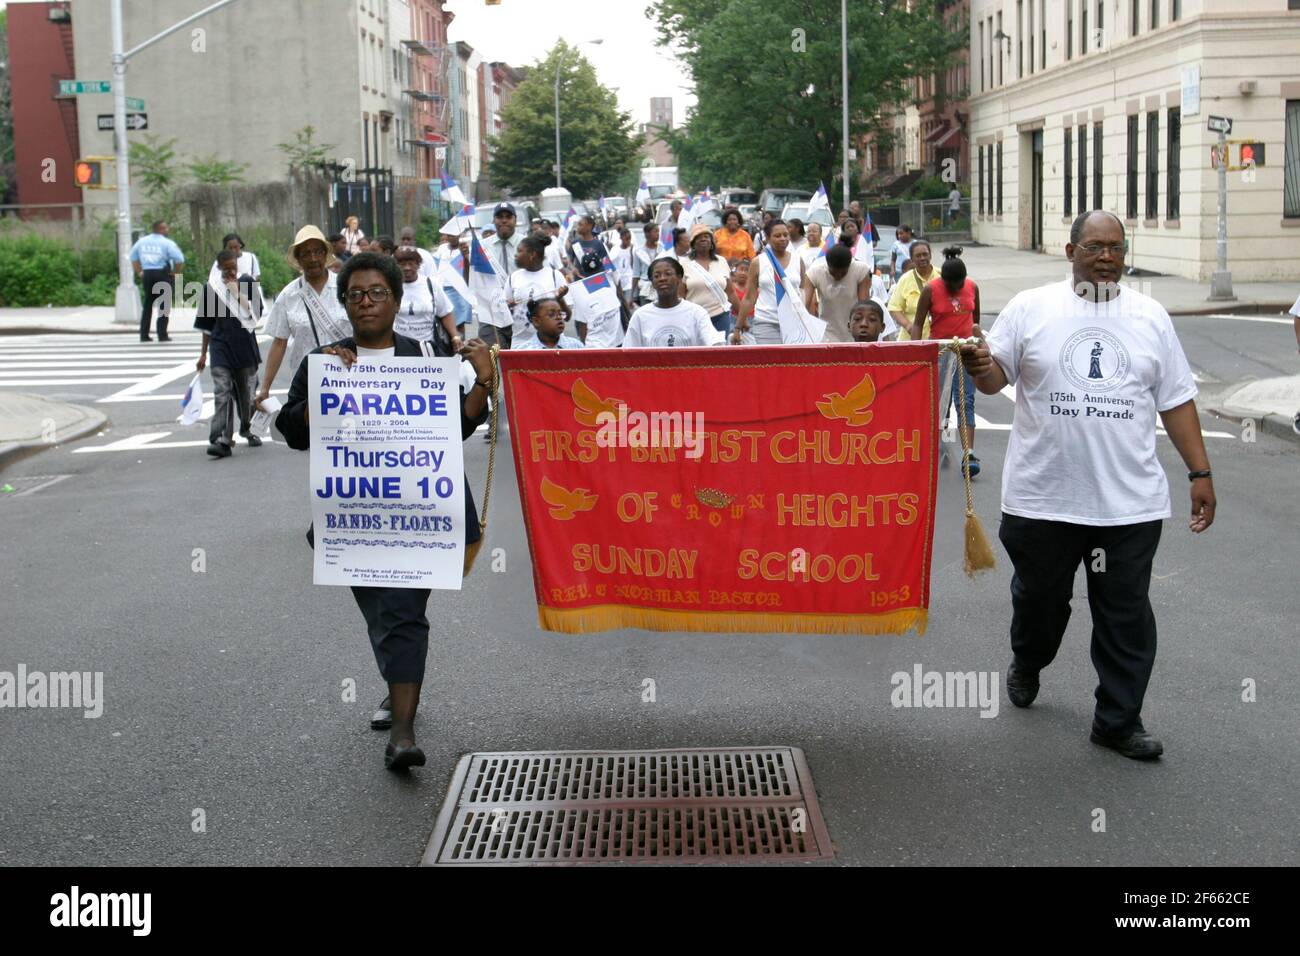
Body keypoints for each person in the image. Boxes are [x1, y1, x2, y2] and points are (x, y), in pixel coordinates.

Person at [959, 209, 1215, 761]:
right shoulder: (1032, 308)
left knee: (1125, 613)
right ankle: (1028, 659)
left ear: (1125, 255)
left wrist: (1200, 473)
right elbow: (994, 376)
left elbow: (1175, 399)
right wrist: (979, 362)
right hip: (1043, 500)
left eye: (1115, 249)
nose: (1106, 257)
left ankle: (1118, 721)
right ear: (1069, 250)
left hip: (1128, 505)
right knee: (1042, 602)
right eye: (1095, 246)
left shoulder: (1150, 316)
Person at [274, 251, 494, 772]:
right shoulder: (324, 361)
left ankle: (402, 732)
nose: (366, 302)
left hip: (422, 518)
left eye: (377, 293)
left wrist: (484, 380)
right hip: (356, 521)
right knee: (384, 615)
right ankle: (396, 688)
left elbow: (457, 428)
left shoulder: (423, 356)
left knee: (402, 614)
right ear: (344, 303)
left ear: (396, 301)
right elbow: (292, 430)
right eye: (355, 294)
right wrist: (328, 388)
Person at [254, 226, 352, 412]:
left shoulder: (346, 287)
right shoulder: (288, 295)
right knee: (308, 437)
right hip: (306, 383)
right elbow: (279, 343)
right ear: (298, 259)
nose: (313, 258)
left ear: (325, 254)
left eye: (317, 252)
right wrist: (265, 388)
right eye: (306, 254)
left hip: (348, 379)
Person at [910, 246, 981, 477]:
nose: (957, 288)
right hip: (941, 352)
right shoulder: (931, 289)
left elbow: (975, 319)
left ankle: (968, 453)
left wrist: (978, 343)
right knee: (942, 403)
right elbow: (919, 322)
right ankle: (941, 446)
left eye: (959, 284)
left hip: (966, 350)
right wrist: (915, 350)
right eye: (952, 285)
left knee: (966, 401)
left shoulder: (972, 286)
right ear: (944, 281)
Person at [195, 249, 263, 458]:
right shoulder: (211, 289)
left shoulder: (248, 283)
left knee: (247, 395)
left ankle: (247, 427)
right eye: (226, 269)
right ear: (219, 268)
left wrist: (237, 292)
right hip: (220, 346)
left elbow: (256, 315)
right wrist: (203, 354)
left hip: (245, 347)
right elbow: (206, 326)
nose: (231, 272)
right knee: (222, 392)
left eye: (234, 267)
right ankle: (221, 438)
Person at [624, 258, 725, 348]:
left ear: (679, 278)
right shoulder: (640, 316)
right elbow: (628, 353)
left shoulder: (696, 312)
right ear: (652, 282)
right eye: (657, 276)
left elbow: (714, 342)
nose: (662, 278)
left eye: (668, 273)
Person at [734, 219, 803, 345]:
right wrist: (738, 328)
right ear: (768, 238)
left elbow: (804, 293)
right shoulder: (758, 262)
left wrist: (807, 320)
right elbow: (749, 297)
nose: (782, 239)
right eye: (777, 236)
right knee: (772, 362)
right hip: (766, 322)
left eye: (785, 235)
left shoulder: (798, 260)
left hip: (794, 322)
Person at [802, 244, 874, 343]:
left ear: (850, 265)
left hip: (854, 332)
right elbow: (803, 306)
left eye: (843, 273)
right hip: (827, 333)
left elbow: (864, 306)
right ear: (827, 265)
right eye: (834, 273)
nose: (838, 276)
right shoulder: (814, 273)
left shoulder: (860, 270)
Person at [128, 220, 185, 342]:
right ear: (158, 229)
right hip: (162, 274)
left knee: (148, 304)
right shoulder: (167, 243)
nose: (167, 230)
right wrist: (176, 273)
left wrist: (139, 272)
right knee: (164, 306)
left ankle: (144, 335)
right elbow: (179, 259)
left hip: (148, 274)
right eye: (165, 228)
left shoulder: (141, 242)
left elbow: (133, 257)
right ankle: (162, 334)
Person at [509, 235, 569, 348]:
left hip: (551, 345)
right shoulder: (513, 277)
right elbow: (504, 314)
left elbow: (568, 316)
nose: (516, 255)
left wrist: (560, 299)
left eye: (520, 251)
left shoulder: (555, 276)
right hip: (520, 343)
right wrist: (508, 306)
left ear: (532, 254)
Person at [394, 246, 458, 352]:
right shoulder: (391, 285)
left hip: (427, 348)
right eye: (402, 264)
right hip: (399, 348)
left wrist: (455, 337)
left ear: (418, 265)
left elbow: (446, 313)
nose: (407, 268)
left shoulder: (431, 285)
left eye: (411, 263)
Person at [681, 224, 738, 334]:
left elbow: (730, 292)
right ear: (693, 243)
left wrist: (742, 317)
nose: (703, 239)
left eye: (706, 236)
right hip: (694, 317)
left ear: (712, 242)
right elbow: (680, 295)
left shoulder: (721, 261)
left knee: (719, 349)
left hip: (720, 316)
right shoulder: (684, 264)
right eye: (698, 237)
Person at [887, 237, 937, 341]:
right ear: (911, 259)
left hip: (939, 338)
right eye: (918, 256)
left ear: (930, 255)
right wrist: (908, 326)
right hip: (911, 339)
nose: (922, 258)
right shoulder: (905, 279)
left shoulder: (942, 276)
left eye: (925, 254)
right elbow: (894, 308)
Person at [514, 295, 586, 351]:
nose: (559, 317)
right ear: (536, 322)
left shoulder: (576, 346)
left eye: (560, 314)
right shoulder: (525, 351)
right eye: (551, 314)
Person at [633, 223, 660, 305]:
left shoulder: (662, 249)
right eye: (655, 231)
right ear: (647, 234)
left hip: (661, 287)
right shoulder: (639, 252)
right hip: (645, 289)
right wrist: (632, 295)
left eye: (658, 231)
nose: (658, 234)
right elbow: (636, 274)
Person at [611, 228, 636, 310]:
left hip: (629, 281)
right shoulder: (615, 249)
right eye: (626, 238)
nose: (628, 240)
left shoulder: (633, 249)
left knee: (627, 305)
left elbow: (634, 265)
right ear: (621, 238)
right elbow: (610, 265)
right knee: (619, 306)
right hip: (618, 281)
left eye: (629, 238)